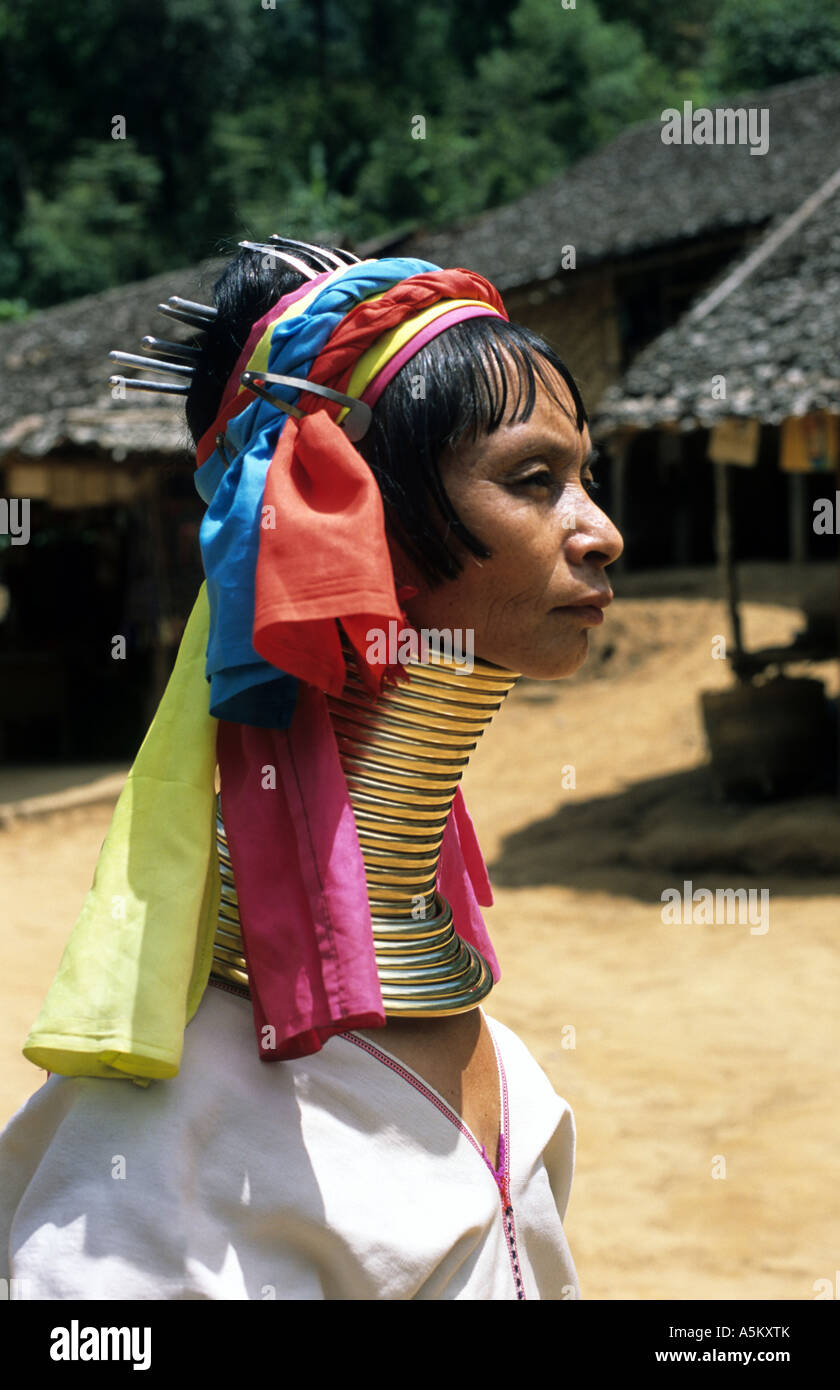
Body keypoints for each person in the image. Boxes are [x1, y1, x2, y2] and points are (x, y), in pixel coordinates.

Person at [0, 240, 622, 1300]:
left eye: (584, 481)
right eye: (533, 481)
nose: (599, 531)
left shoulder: (505, 1065)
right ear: (354, 522)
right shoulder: (167, 1128)